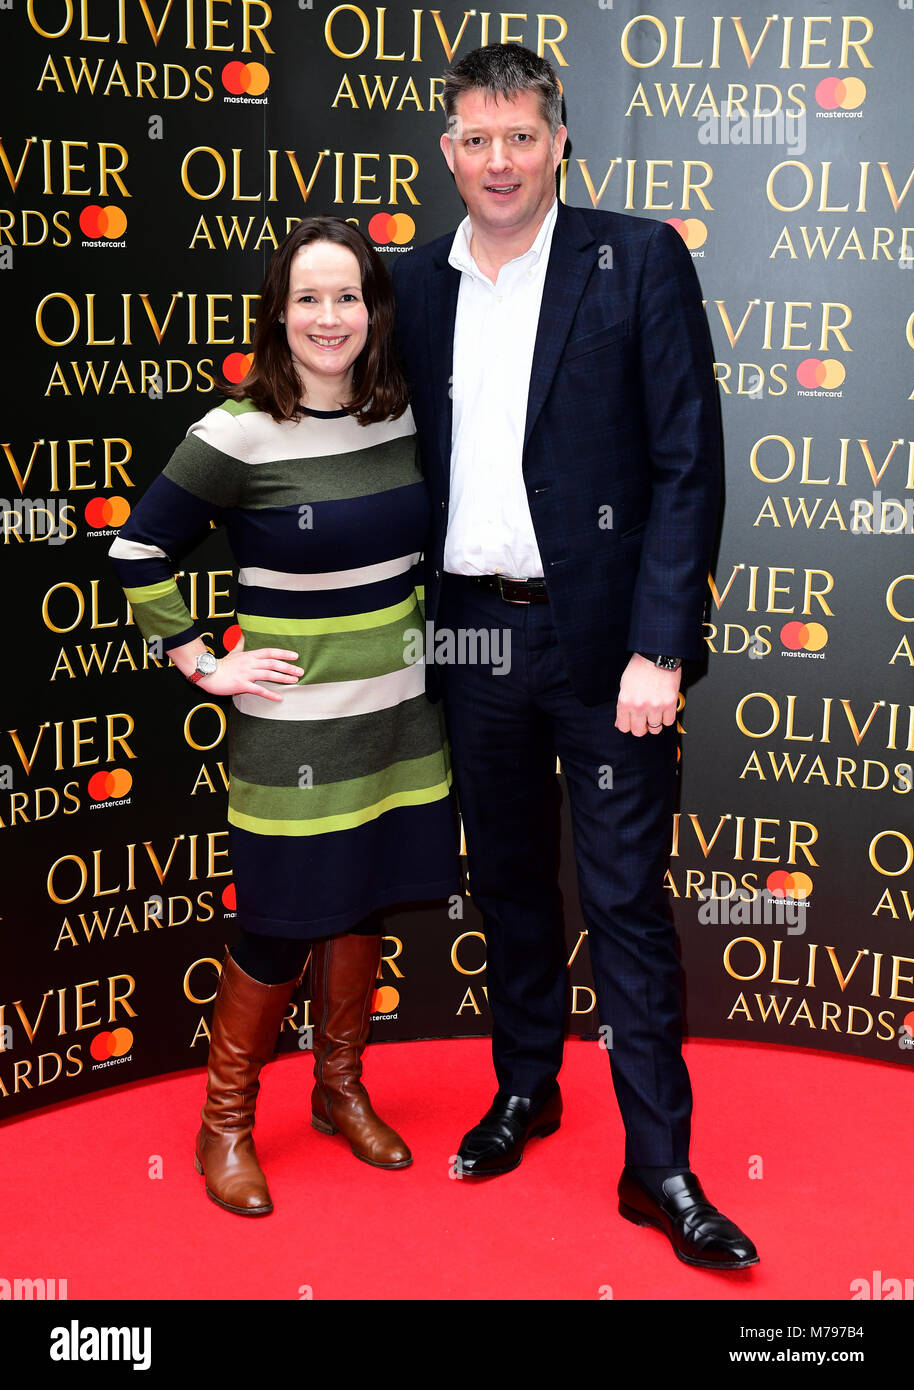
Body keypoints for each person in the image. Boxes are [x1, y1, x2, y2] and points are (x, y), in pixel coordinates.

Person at [391, 44, 758, 1269]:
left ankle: (657, 1164)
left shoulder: (635, 257)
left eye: (520, 136)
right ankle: (525, 1088)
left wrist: (660, 647)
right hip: (469, 630)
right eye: (474, 139)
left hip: (605, 648)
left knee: (622, 902)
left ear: (560, 142)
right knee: (504, 884)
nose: (497, 160)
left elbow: (683, 467)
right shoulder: (414, 285)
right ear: (447, 152)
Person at [109, 217, 460, 1216]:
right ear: (277, 311)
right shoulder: (239, 429)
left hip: (396, 721)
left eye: (346, 294)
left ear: (373, 310)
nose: (327, 315)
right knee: (273, 923)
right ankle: (224, 1120)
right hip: (291, 734)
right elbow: (138, 553)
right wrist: (200, 661)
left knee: (361, 904)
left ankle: (339, 1090)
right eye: (306, 296)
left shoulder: (401, 417)